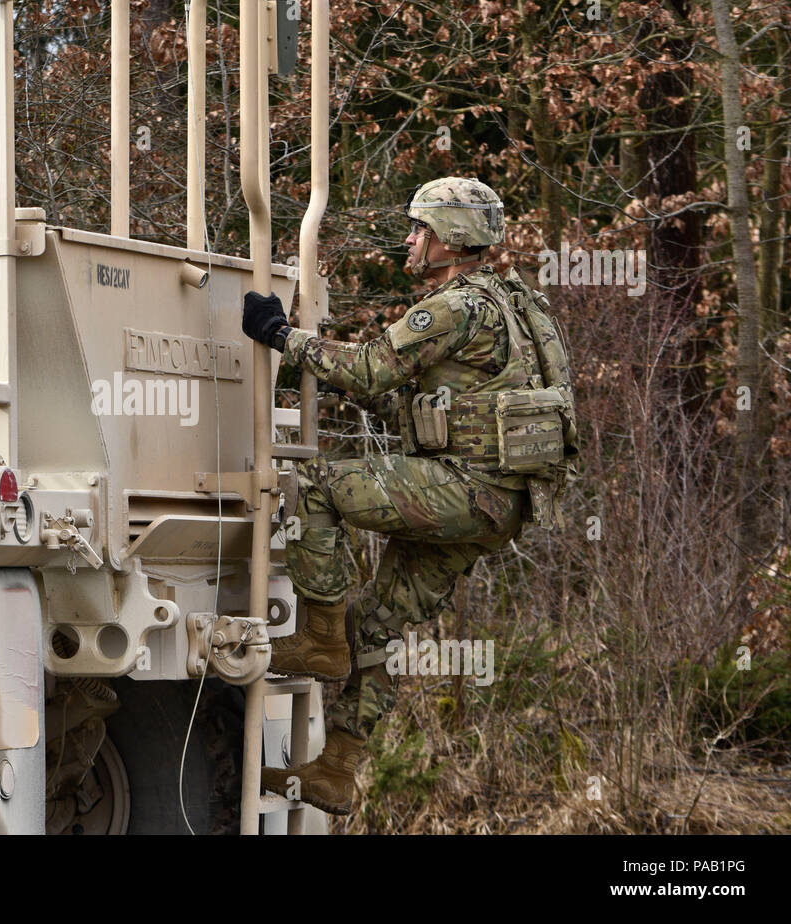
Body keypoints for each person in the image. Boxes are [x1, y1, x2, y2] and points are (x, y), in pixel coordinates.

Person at [241, 177, 577, 815]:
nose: (410, 239)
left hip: (464, 490)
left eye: (420, 228)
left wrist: (281, 335)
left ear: (451, 239)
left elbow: (370, 370)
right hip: (504, 507)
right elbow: (413, 389)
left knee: (315, 483)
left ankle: (317, 636)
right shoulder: (523, 308)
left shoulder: (456, 308)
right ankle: (337, 768)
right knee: (380, 623)